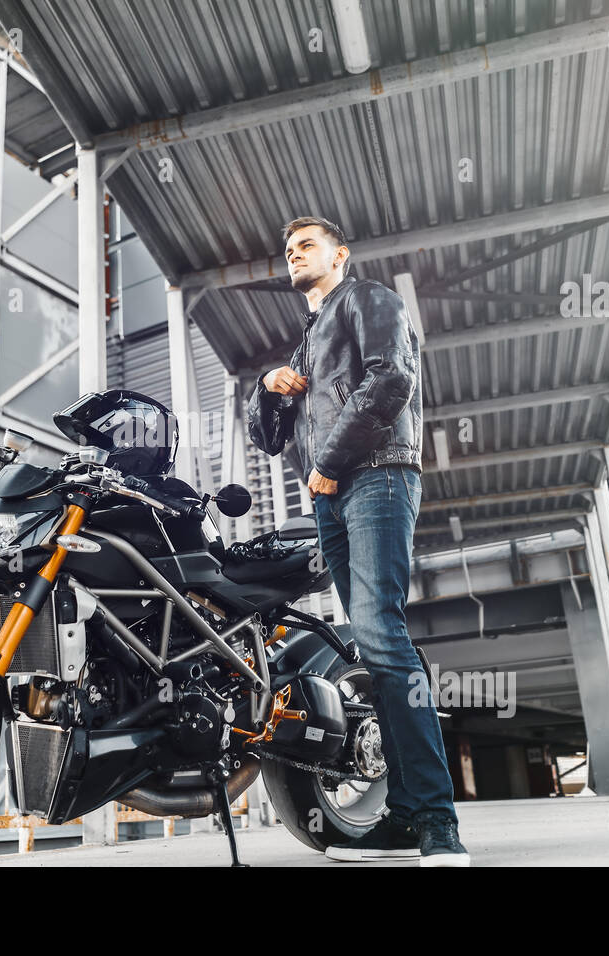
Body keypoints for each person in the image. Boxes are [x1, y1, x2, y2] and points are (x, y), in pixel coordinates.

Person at [246, 216, 469, 867]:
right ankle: (405, 817)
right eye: (287, 248)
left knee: (381, 632)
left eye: (306, 244)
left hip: (375, 478)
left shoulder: (369, 300)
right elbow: (265, 436)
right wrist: (267, 386)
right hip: (330, 496)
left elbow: (391, 379)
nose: (293, 253)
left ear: (339, 254)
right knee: (374, 641)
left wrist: (330, 464)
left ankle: (435, 822)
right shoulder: (305, 345)